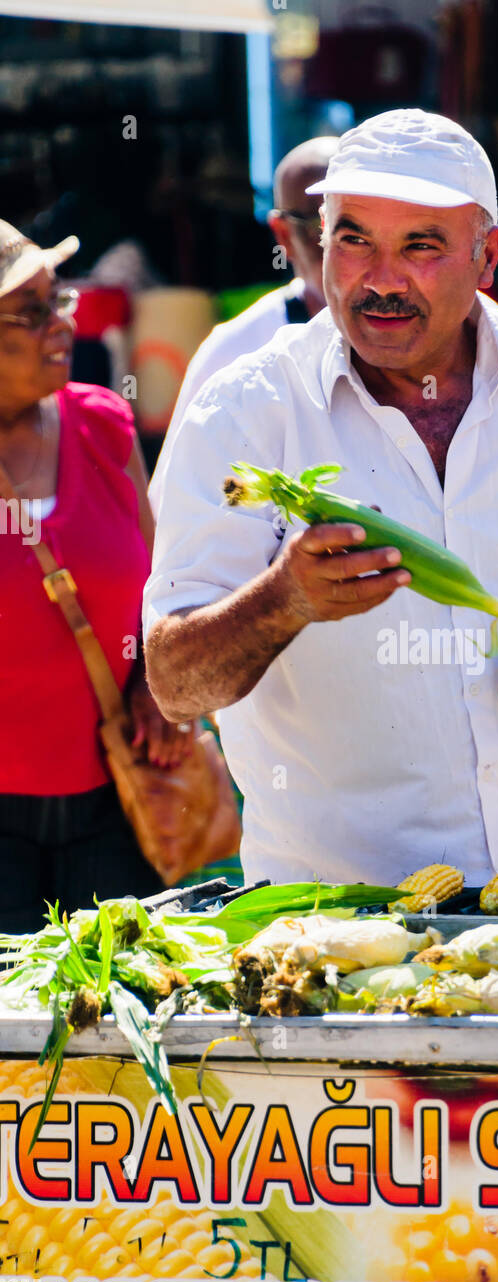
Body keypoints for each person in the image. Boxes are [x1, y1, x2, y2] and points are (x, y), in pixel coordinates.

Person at [144, 109, 498, 889]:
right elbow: (177, 682)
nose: (380, 279)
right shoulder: (244, 409)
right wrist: (285, 599)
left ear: (487, 257)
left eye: (420, 245)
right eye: (352, 240)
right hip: (341, 926)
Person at [0, 220, 193, 932]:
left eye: (60, 303)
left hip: (119, 804)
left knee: (116, 1023)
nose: (60, 325)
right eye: (31, 311)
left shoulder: (103, 426)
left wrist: (155, 685)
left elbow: (166, 588)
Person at [148, 137, 337, 514]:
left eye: (359, 230)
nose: (339, 252)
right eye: (322, 229)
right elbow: (179, 503)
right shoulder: (234, 351)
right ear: (283, 235)